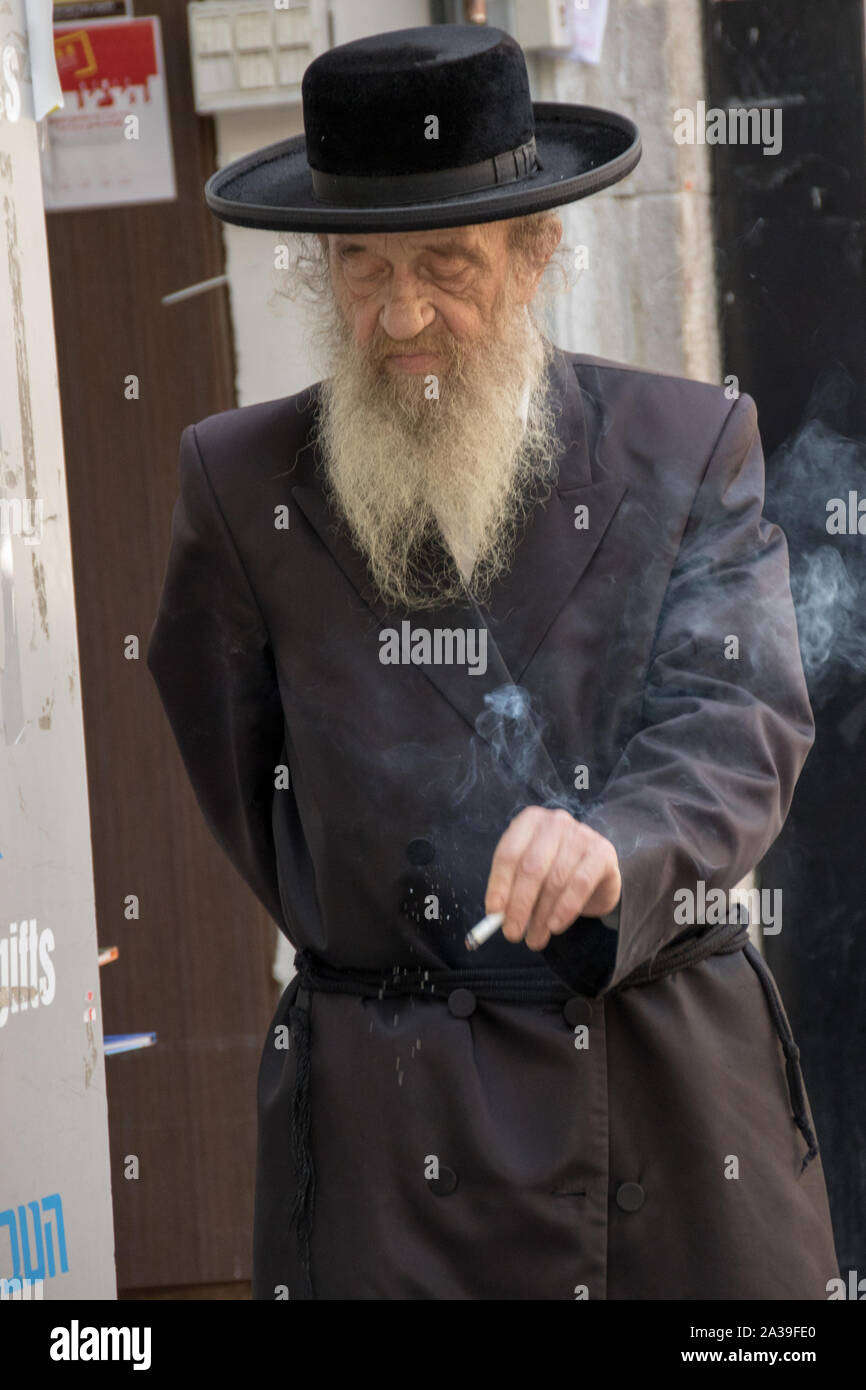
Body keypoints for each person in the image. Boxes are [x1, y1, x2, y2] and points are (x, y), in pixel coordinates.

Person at [147, 24, 839, 1299]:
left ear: (534, 253)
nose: (401, 316)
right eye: (363, 268)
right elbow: (253, 793)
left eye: (445, 265)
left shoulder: (686, 444)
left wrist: (613, 847)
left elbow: (735, 724)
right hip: (386, 1148)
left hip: (666, 1124)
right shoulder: (236, 488)